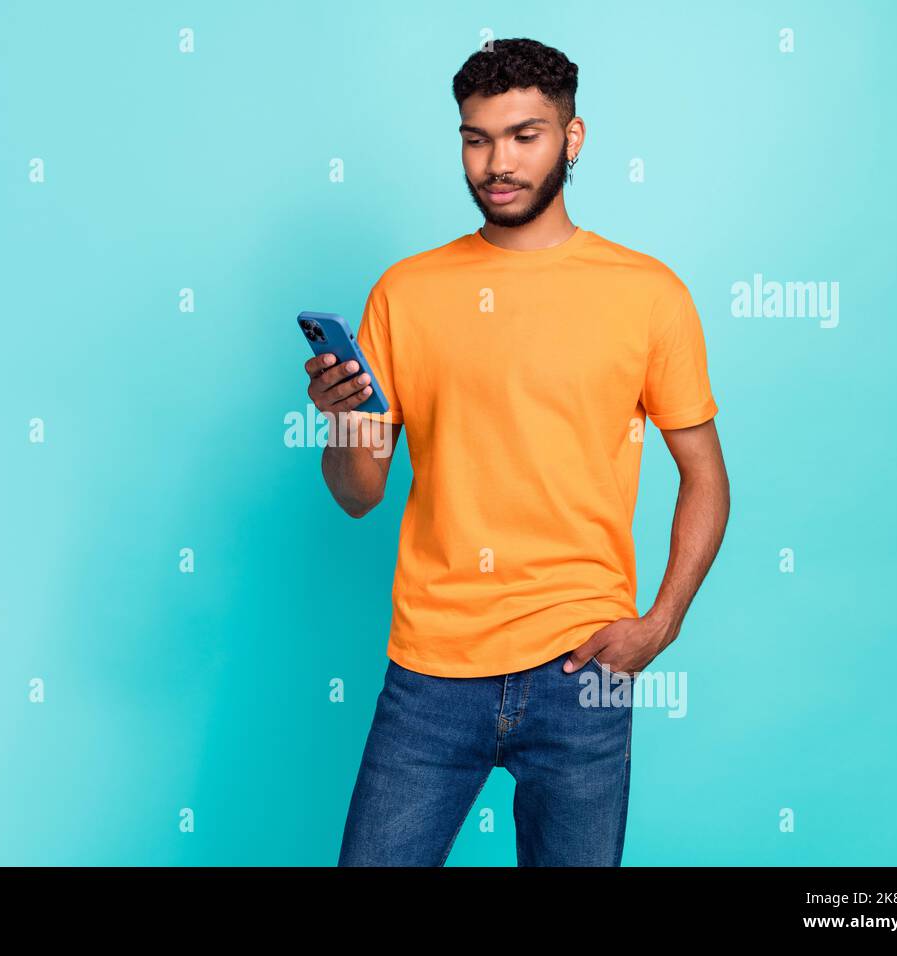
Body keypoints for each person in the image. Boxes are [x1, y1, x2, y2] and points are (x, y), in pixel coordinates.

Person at [306, 38, 730, 866]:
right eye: (476, 137)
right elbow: (359, 494)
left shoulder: (648, 293)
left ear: (573, 140)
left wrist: (662, 624)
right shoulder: (405, 291)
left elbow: (705, 476)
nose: (497, 162)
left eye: (524, 135)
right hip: (430, 670)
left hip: (584, 670)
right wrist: (344, 418)